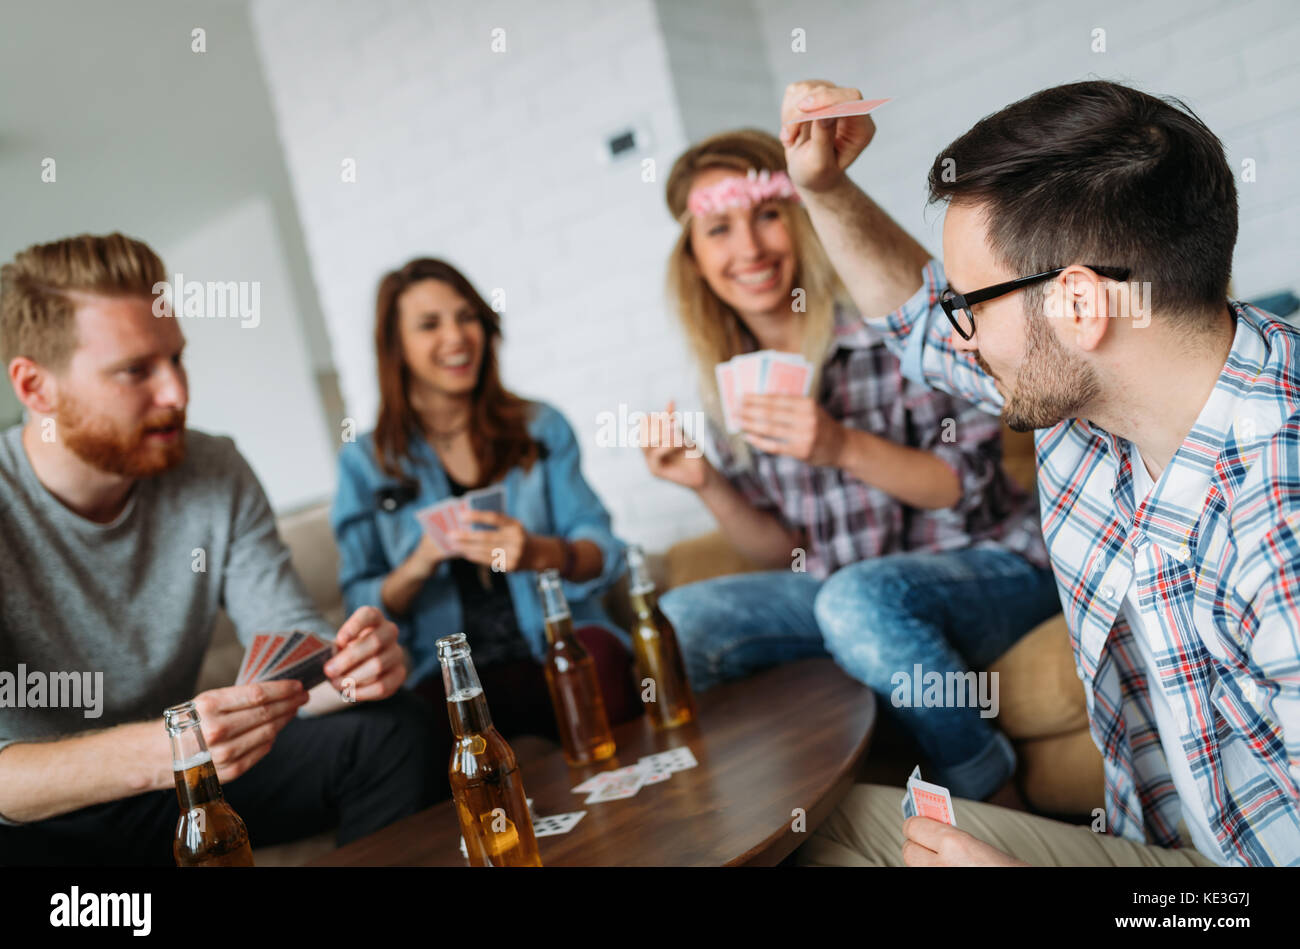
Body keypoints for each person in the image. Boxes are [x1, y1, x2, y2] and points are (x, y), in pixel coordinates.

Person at [780, 78, 1300, 867]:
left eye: (970, 307)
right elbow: (915, 324)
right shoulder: (1104, 389)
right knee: (831, 834)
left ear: (1081, 306)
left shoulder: (1279, 525)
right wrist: (825, 188)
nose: (957, 337)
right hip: (1166, 850)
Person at [641, 128, 1061, 802]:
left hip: (990, 565)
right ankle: (773, 806)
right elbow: (784, 553)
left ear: (803, 222)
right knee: (683, 619)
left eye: (768, 215)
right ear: (693, 256)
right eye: (718, 228)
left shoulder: (889, 326)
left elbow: (964, 489)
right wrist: (708, 484)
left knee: (858, 599)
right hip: (846, 596)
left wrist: (840, 446)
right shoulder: (731, 382)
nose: (748, 248)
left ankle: (991, 794)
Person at [0, 233, 439, 866]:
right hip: (41, 818)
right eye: (135, 371)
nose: (176, 393)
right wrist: (166, 750)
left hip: (180, 780)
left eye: (176, 359)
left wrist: (349, 675)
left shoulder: (213, 468)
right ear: (35, 387)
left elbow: (291, 648)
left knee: (396, 729)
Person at [331, 257, 634, 788]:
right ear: (396, 346)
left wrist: (541, 552)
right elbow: (360, 603)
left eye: (467, 317)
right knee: (412, 734)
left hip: (552, 645)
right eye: (429, 324)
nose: (456, 337)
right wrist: (418, 563)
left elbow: (604, 551)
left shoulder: (540, 427)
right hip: (450, 678)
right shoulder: (366, 461)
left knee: (601, 658)